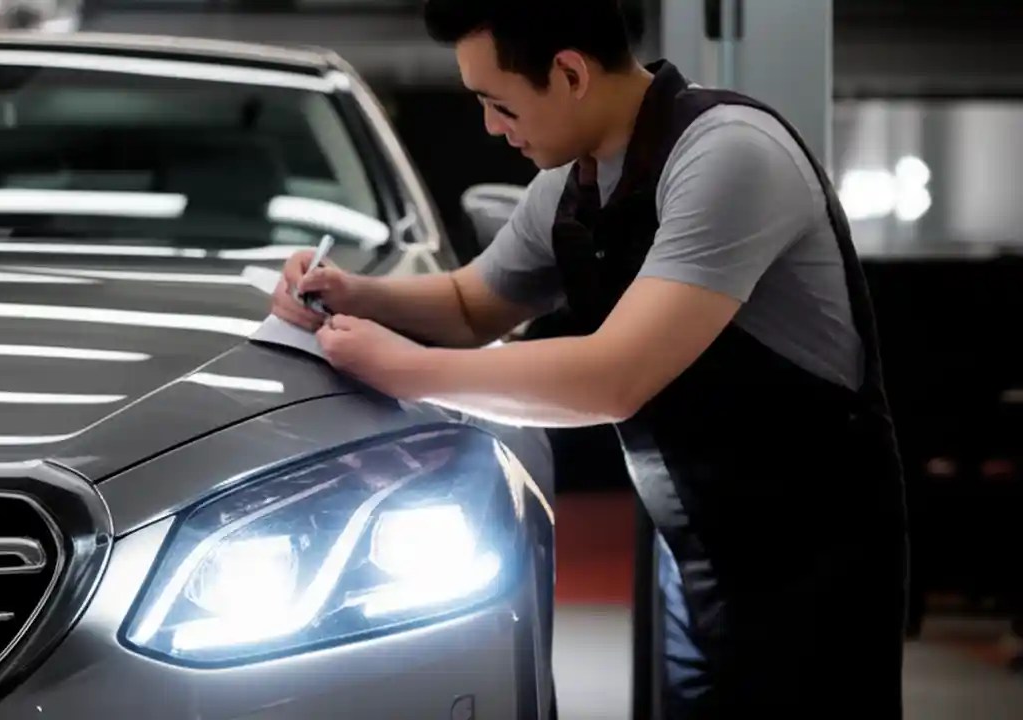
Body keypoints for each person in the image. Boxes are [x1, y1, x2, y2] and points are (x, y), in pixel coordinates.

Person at [269, 1, 910, 717]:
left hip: (811, 548)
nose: (489, 126)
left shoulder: (728, 155)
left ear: (569, 72)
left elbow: (613, 380)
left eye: (497, 103)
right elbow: (470, 304)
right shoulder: (572, 184)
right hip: (699, 540)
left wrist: (405, 369)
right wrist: (352, 293)